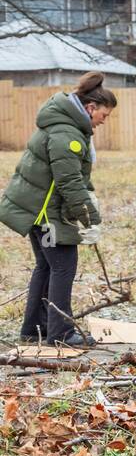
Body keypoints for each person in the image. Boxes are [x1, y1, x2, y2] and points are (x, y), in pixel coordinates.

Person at [0, 72, 112, 347]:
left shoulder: (62, 125)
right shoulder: (67, 134)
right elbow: (68, 181)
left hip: (39, 212)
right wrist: (90, 219)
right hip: (47, 217)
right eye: (104, 115)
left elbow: (72, 175)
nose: (103, 121)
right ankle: (60, 334)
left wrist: (88, 200)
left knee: (47, 267)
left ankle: (34, 329)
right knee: (63, 267)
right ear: (90, 108)